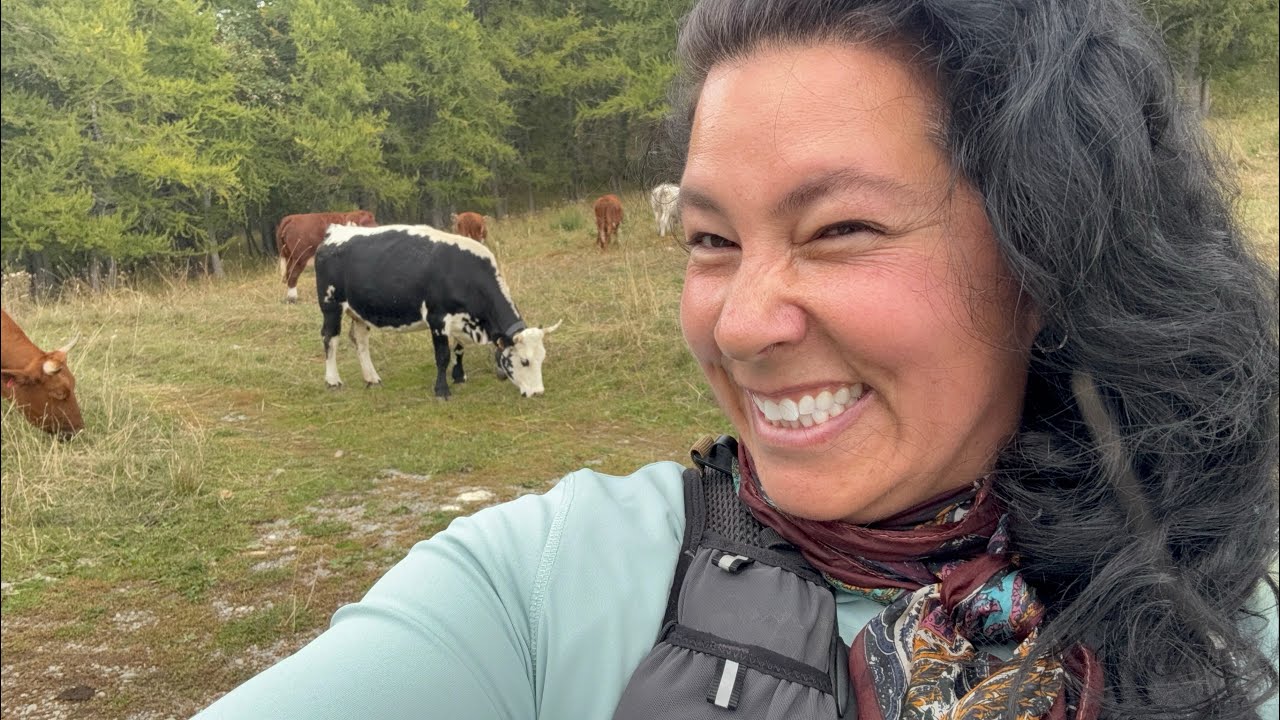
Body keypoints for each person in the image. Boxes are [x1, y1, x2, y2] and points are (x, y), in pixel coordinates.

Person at [194, 0, 1279, 718]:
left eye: (839, 229)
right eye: (711, 240)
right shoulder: (546, 586)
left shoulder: (1229, 614)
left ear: (1052, 255)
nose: (739, 325)